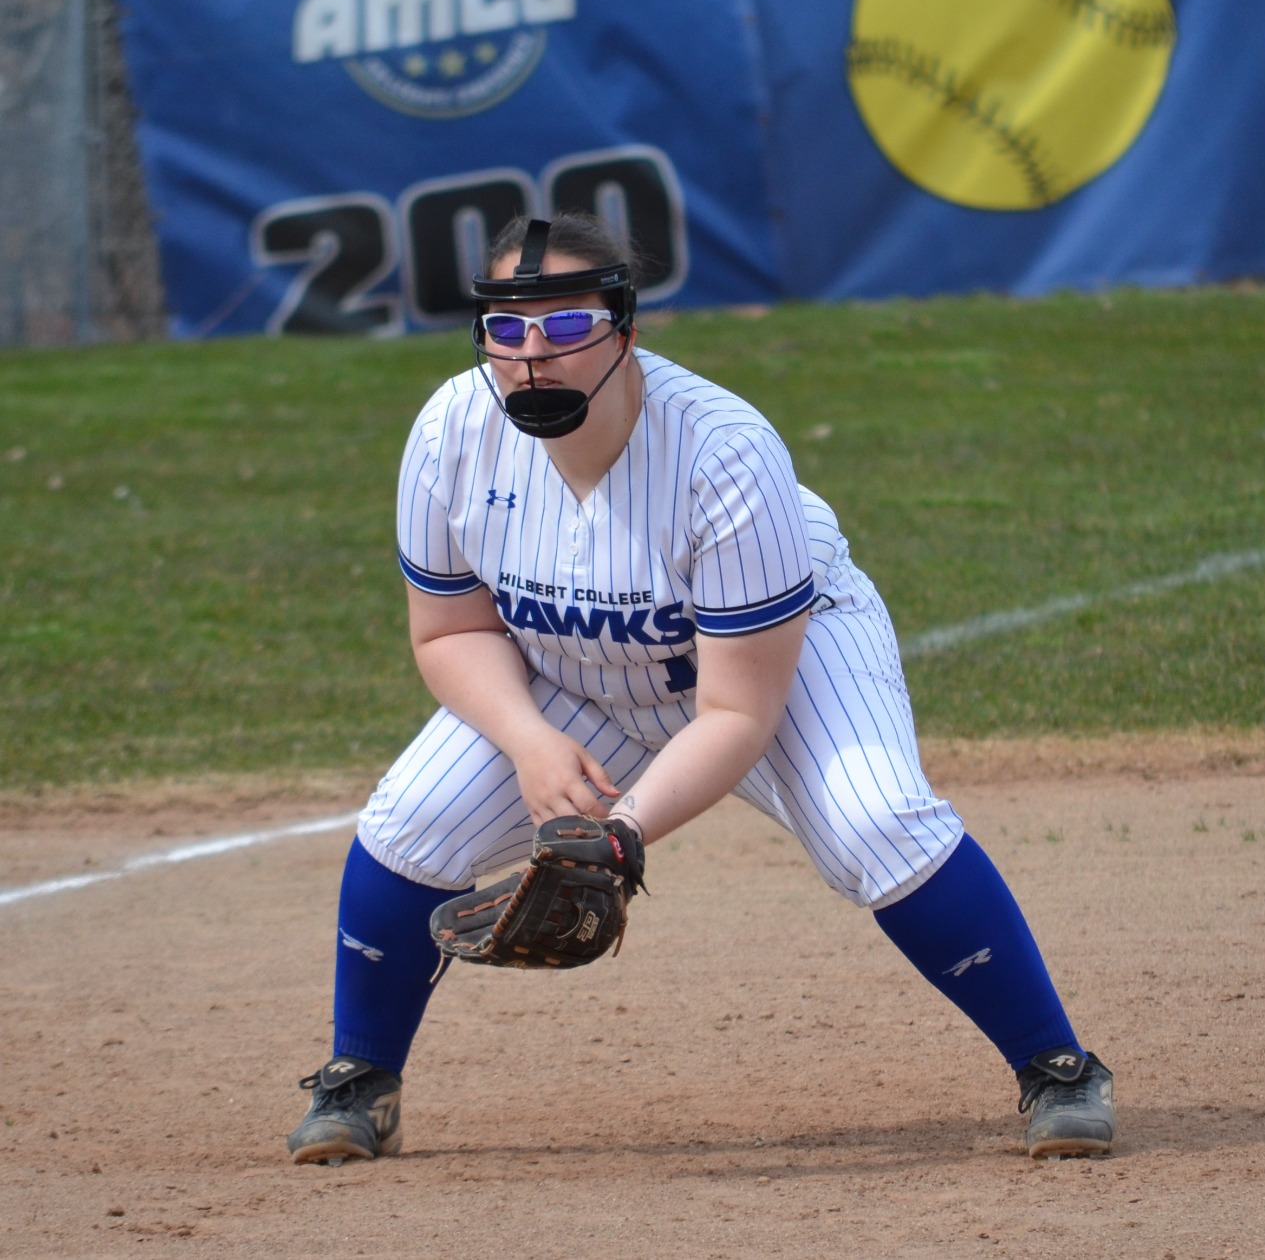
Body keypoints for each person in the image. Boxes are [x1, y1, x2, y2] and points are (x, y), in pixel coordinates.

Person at [285, 214, 1112, 1165]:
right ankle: (360, 1082)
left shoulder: (720, 451)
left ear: (625, 329)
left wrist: (621, 835)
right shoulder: (452, 432)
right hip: (570, 675)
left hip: (775, 666)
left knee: (877, 824)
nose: (531, 356)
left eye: (564, 327)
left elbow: (736, 712)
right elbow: (450, 629)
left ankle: (1058, 1067)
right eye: (505, 331)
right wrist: (526, 738)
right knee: (412, 824)